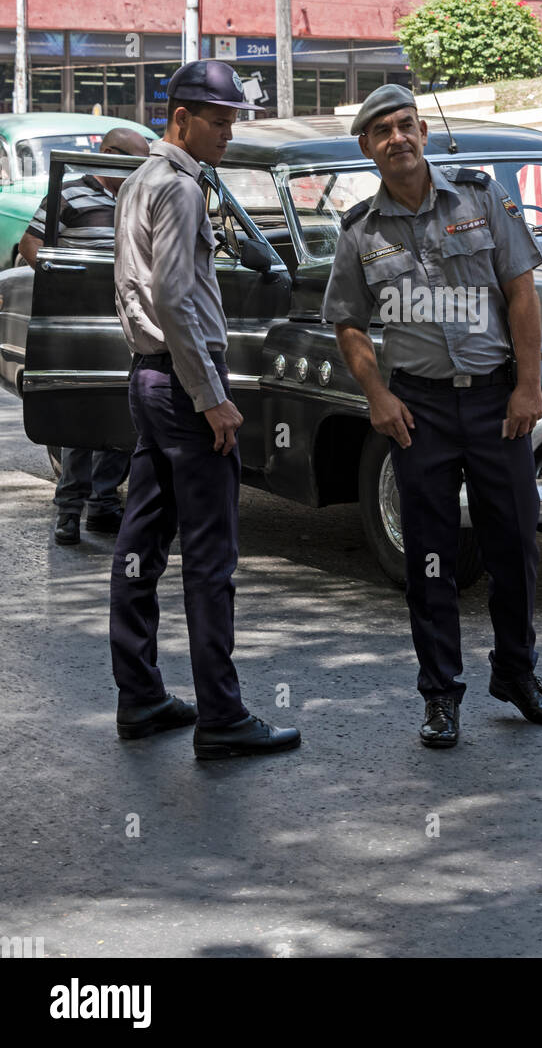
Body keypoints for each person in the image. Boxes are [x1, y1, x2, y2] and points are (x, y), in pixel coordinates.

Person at [323, 84, 542, 749]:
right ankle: (439, 696)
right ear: (366, 148)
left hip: (495, 403)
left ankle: (516, 674)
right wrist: (377, 396)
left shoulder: (481, 198)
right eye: (382, 132)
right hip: (419, 410)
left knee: (514, 543)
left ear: (423, 132)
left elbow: (520, 294)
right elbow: (347, 324)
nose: (397, 138)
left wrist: (525, 387)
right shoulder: (359, 232)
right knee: (428, 556)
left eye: (406, 126)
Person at [108, 60, 301, 760]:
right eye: (216, 121)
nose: (226, 133)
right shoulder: (182, 187)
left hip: (149, 378)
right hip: (185, 385)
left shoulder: (139, 181)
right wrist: (212, 398)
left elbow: (136, 291)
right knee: (211, 556)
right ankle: (221, 715)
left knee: (140, 543)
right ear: (180, 119)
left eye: (230, 122)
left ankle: (140, 696)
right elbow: (177, 300)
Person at [20, 128, 152, 546]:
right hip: (80, 323)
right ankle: (70, 510)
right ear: (107, 156)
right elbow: (31, 245)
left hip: (126, 324)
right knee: (81, 420)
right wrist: (72, 278)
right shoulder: (70, 194)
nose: (138, 172)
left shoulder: (136, 198)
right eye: (131, 163)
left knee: (120, 416)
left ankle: (104, 504)